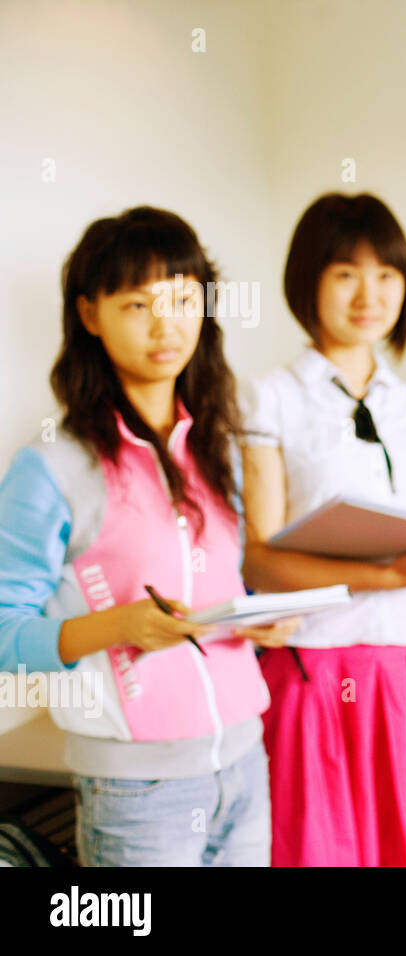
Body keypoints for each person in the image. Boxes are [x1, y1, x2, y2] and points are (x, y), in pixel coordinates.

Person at [0, 207, 298, 866]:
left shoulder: (214, 449)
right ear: (89, 314)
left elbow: (215, 591)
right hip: (135, 788)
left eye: (183, 298)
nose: (166, 324)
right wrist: (121, 624)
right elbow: (5, 636)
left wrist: (252, 620)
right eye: (137, 303)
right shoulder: (51, 467)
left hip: (246, 759)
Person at [239, 193, 406, 866]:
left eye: (387, 274)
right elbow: (260, 564)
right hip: (315, 665)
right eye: (346, 273)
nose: (369, 294)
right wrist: (389, 575)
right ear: (309, 281)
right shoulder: (270, 397)